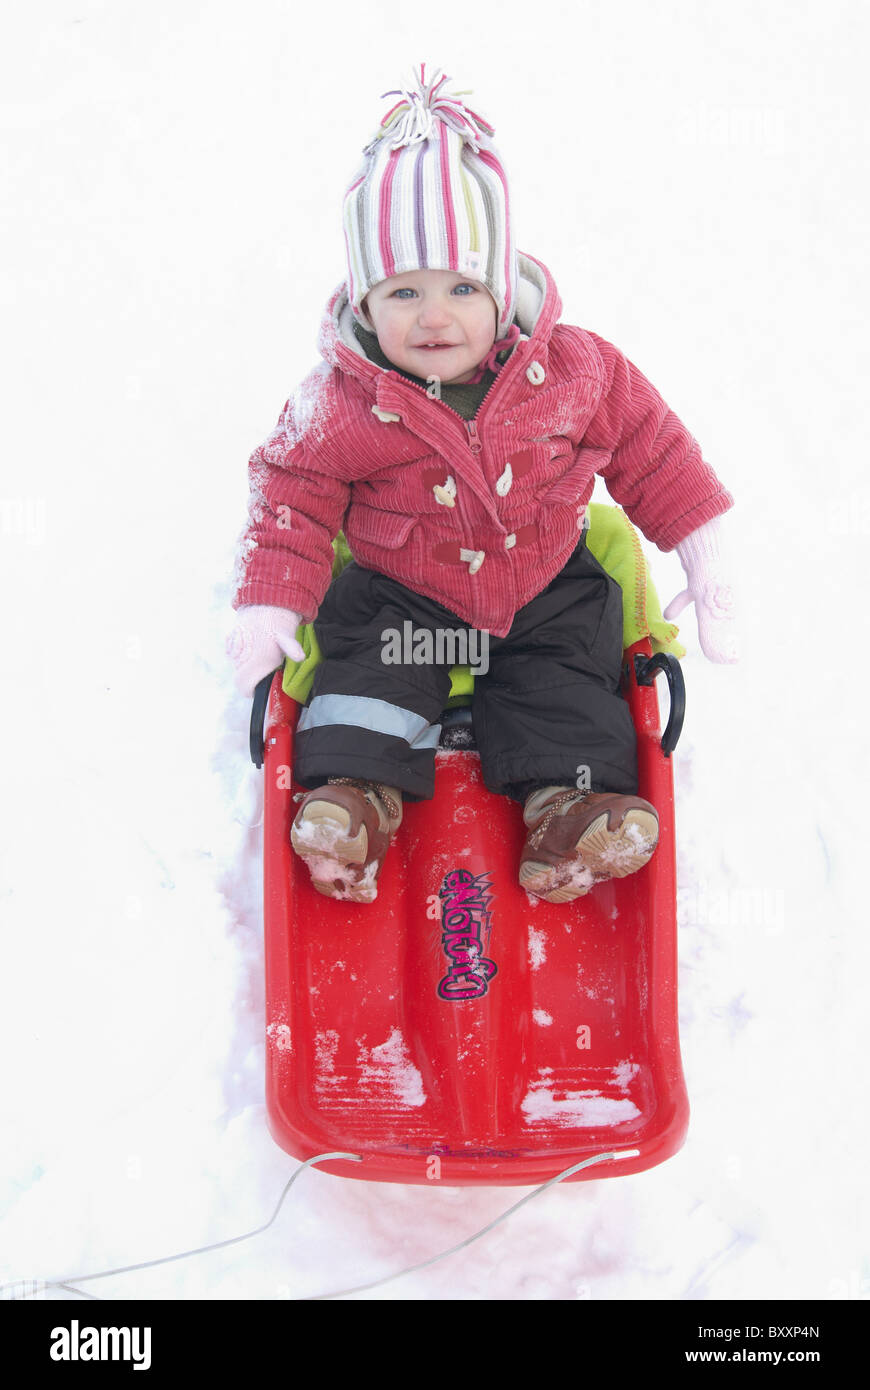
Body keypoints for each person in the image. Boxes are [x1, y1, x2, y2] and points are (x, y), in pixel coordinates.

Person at [227, 66, 736, 905]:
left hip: (543, 587)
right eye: (404, 292)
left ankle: (569, 811)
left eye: (463, 288)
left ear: (502, 288)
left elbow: (656, 451)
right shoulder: (341, 398)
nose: (436, 317)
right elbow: (292, 493)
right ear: (364, 299)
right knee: (368, 671)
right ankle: (355, 801)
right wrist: (270, 600)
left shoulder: (579, 371)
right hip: (410, 596)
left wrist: (705, 557)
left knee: (570, 674)